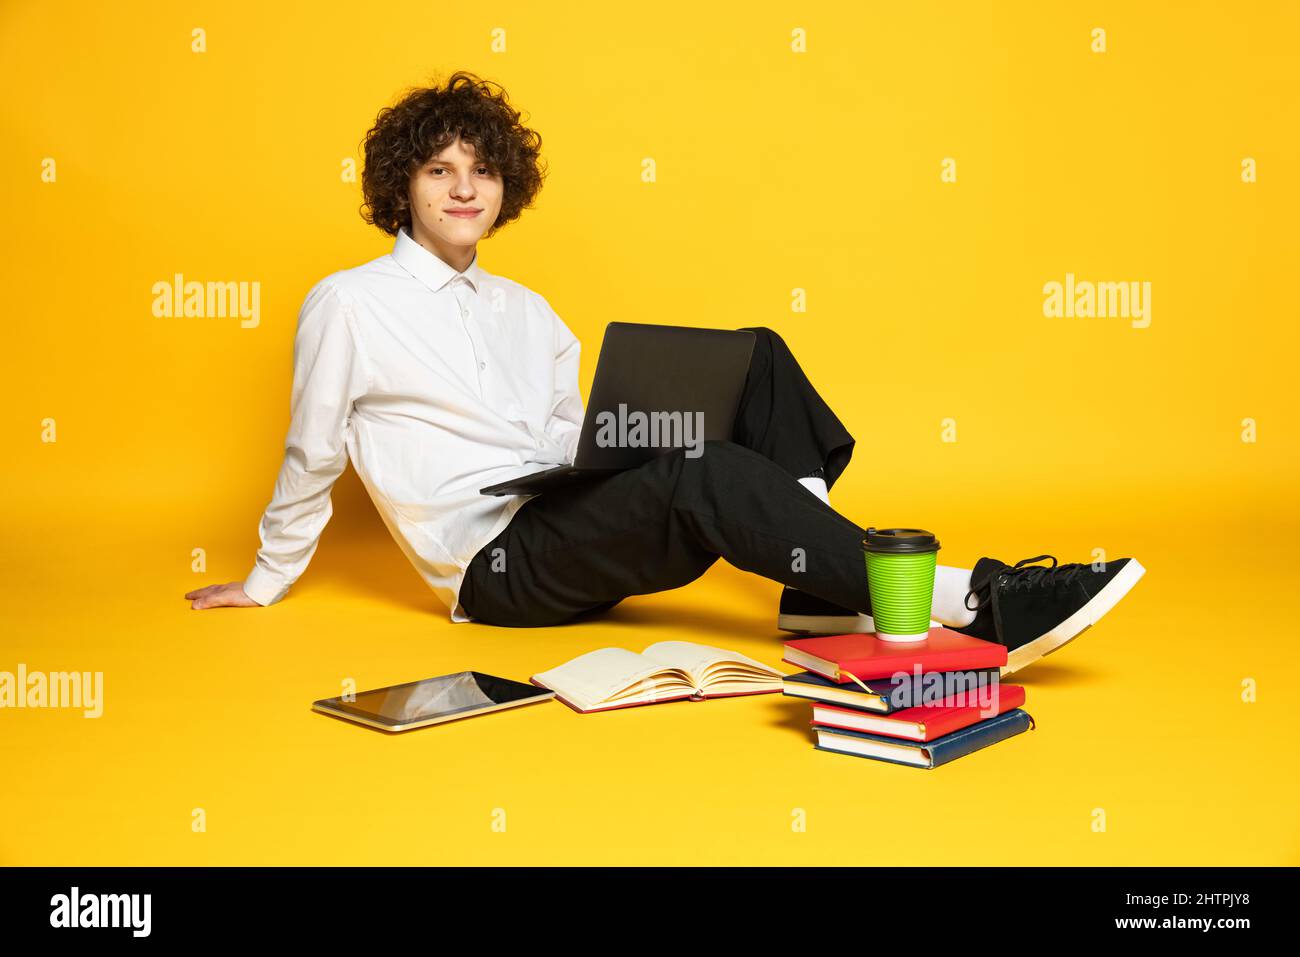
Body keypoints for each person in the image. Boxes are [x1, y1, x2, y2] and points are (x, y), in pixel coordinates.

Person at [185, 71, 1144, 675]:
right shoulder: (350, 302)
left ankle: (816, 588)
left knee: (755, 361)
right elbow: (313, 443)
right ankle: (971, 600)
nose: (465, 188)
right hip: (499, 570)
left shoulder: (528, 312)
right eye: (440, 171)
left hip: (578, 521)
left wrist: (643, 432)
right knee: (705, 472)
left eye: (481, 170)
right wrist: (269, 577)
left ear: (506, 185)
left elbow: (566, 432)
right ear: (402, 185)